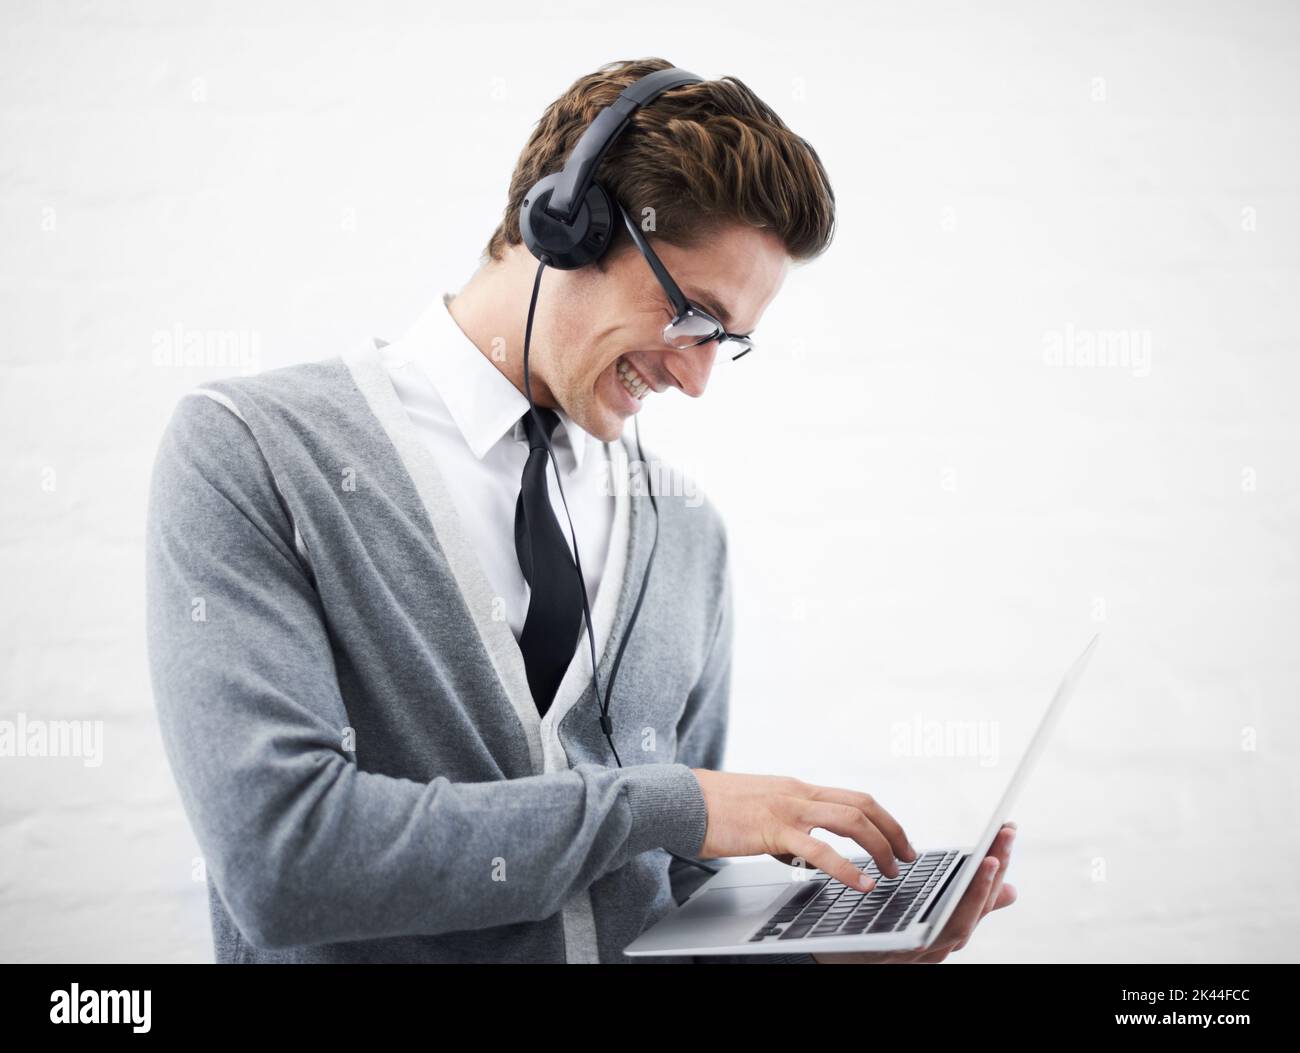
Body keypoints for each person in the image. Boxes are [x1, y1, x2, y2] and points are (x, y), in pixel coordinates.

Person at [144, 56, 1015, 965]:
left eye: (728, 343)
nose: (696, 376)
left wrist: (819, 956)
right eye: (690, 314)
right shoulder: (252, 453)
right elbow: (282, 862)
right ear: (566, 223)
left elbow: (671, 891)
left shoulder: (686, 533)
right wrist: (671, 801)